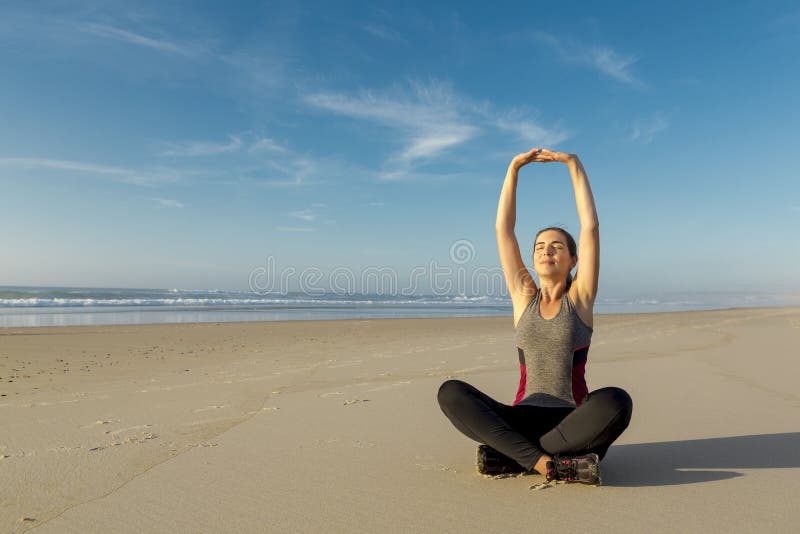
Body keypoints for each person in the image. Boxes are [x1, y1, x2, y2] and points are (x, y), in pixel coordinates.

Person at [437, 148, 633, 485]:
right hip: (520, 418)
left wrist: (573, 164)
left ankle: (514, 456)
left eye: (557, 246)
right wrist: (513, 168)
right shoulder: (522, 297)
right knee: (450, 392)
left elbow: (590, 227)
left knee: (617, 401)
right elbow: (504, 231)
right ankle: (554, 466)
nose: (547, 250)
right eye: (540, 245)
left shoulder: (580, 298)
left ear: (573, 260)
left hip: (571, 422)